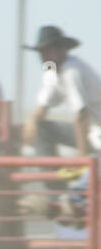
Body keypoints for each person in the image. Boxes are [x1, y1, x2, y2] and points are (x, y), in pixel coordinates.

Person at [23, 25, 101, 156]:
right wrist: (31, 121)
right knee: (40, 127)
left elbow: (82, 115)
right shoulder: (52, 71)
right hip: (91, 131)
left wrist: (82, 157)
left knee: (43, 129)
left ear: (61, 50)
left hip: (96, 131)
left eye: (47, 51)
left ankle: (48, 169)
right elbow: (44, 104)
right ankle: (48, 167)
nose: (44, 57)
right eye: (42, 52)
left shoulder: (71, 71)